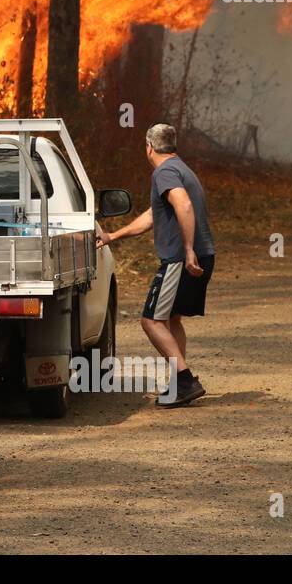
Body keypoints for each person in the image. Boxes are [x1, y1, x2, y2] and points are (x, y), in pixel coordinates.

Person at [97, 123, 215, 407]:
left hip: (181, 258)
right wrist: (113, 235)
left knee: (150, 320)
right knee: (171, 318)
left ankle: (185, 380)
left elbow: (184, 205)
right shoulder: (180, 169)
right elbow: (152, 217)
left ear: (148, 147)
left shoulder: (164, 172)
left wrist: (187, 251)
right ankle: (179, 384)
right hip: (202, 255)